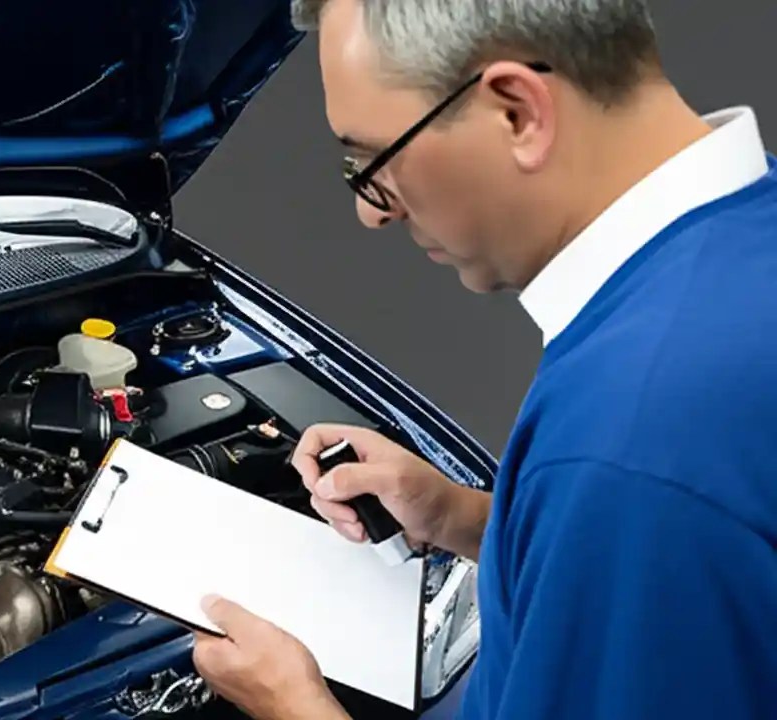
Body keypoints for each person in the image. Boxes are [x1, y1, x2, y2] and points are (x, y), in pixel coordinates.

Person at [189, 0, 777, 718]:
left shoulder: (628, 447)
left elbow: (642, 507)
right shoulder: (745, 238)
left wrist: (293, 704)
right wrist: (464, 518)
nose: (372, 212)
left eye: (370, 161)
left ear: (517, 113)